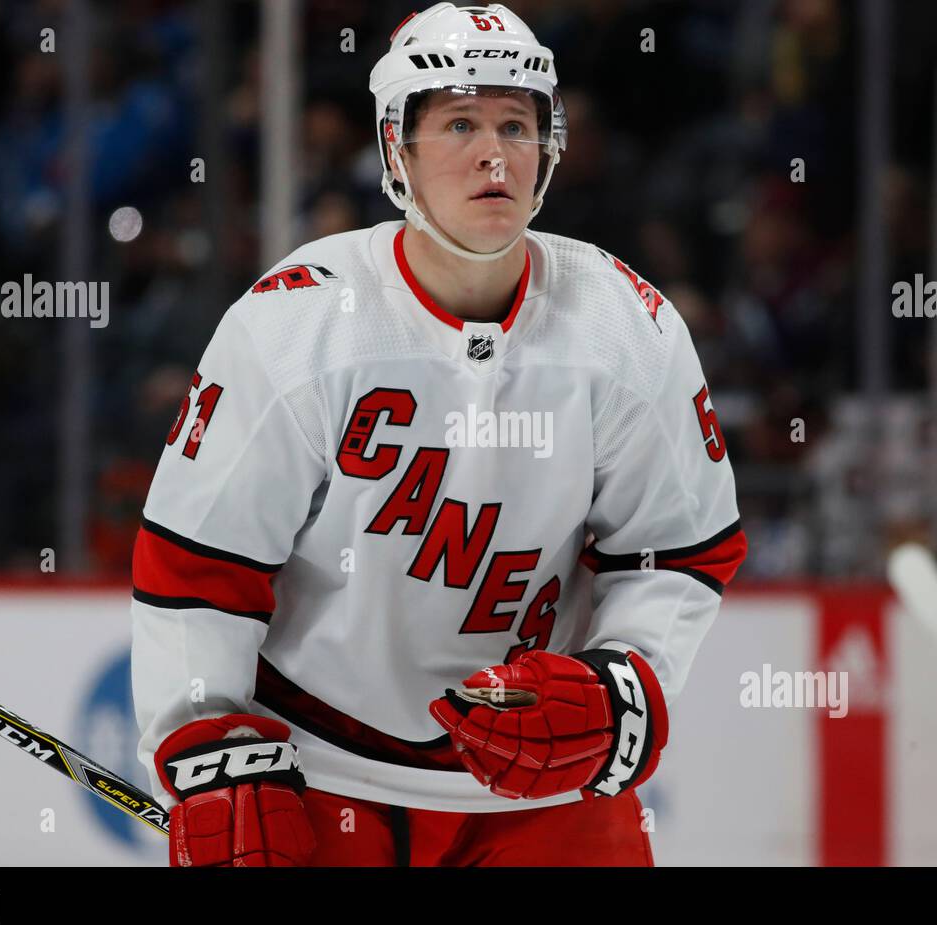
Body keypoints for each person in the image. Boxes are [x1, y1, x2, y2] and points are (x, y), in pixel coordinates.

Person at [131, 2, 746, 867]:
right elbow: (200, 568)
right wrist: (210, 747)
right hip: (322, 771)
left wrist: (620, 686)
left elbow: (677, 552)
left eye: (515, 124)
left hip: (543, 784)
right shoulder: (298, 324)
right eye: (459, 122)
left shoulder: (624, 325)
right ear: (397, 151)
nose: (495, 153)